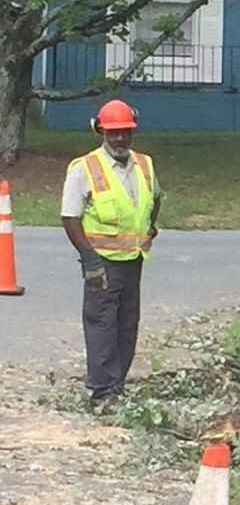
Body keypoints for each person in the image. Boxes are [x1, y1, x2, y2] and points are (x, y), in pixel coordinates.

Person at [60, 100, 162, 403]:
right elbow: (70, 217)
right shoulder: (85, 168)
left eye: (125, 132)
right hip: (101, 260)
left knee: (127, 322)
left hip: (134, 257)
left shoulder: (144, 164)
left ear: (133, 132)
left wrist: (150, 226)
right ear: (100, 130)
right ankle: (102, 390)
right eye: (113, 133)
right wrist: (90, 259)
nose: (120, 139)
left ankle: (117, 384)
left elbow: (155, 198)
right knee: (102, 322)